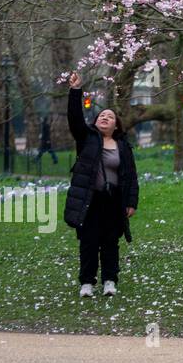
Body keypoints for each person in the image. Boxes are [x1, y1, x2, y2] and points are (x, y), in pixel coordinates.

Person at [64, 73, 139, 298]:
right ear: (96, 121)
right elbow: (75, 118)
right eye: (102, 115)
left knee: (110, 242)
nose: (105, 117)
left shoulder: (123, 147)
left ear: (116, 125)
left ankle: (109, 281)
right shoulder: (87, 138)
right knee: (88, 241)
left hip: (113, 200)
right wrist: (75, 91)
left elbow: (131, 177)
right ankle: (87, 282)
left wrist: (131, 202)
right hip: (89, 198)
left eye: (110, 116)